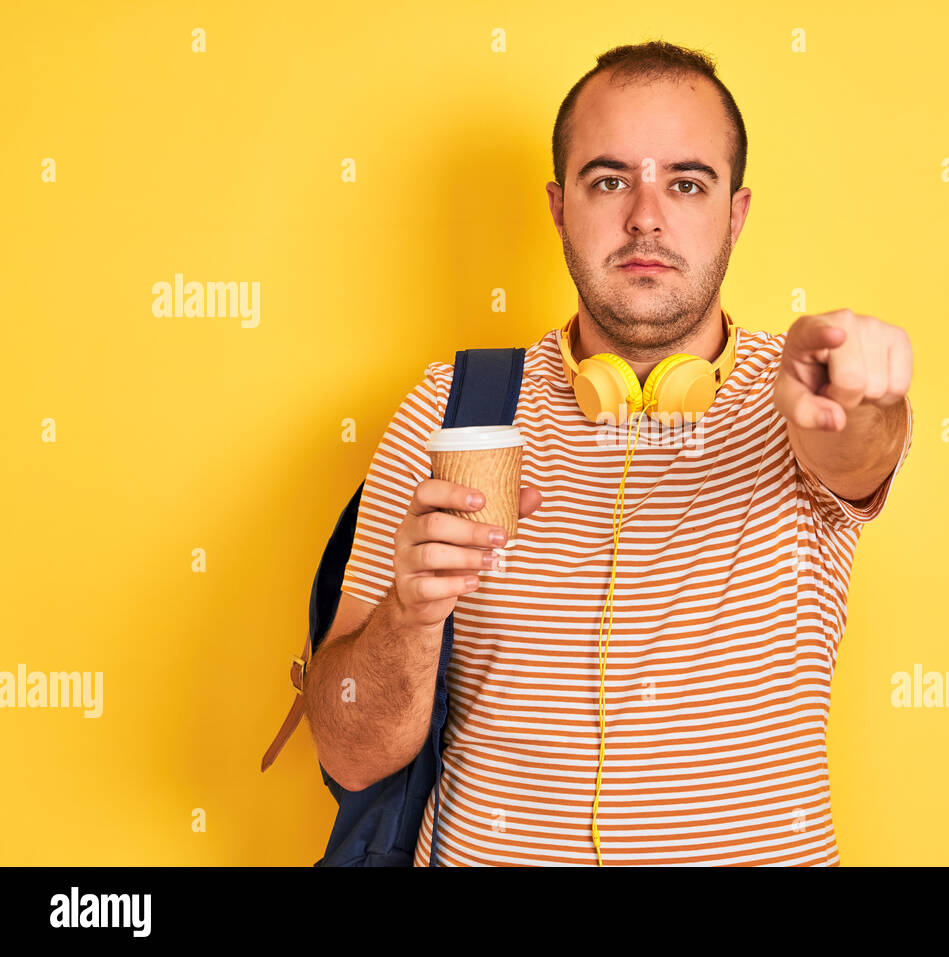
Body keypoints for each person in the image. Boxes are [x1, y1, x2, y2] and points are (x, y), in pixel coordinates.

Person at [302, 39, 914, 866]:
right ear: (559, 205)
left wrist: (861, 401)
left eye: (686, 182)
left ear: (735, 212)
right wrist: (408, 616)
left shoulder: (800, 395)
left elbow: (859, 451)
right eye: (610, 179)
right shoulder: (449, 410)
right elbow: (347, 752)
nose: (646, 218)